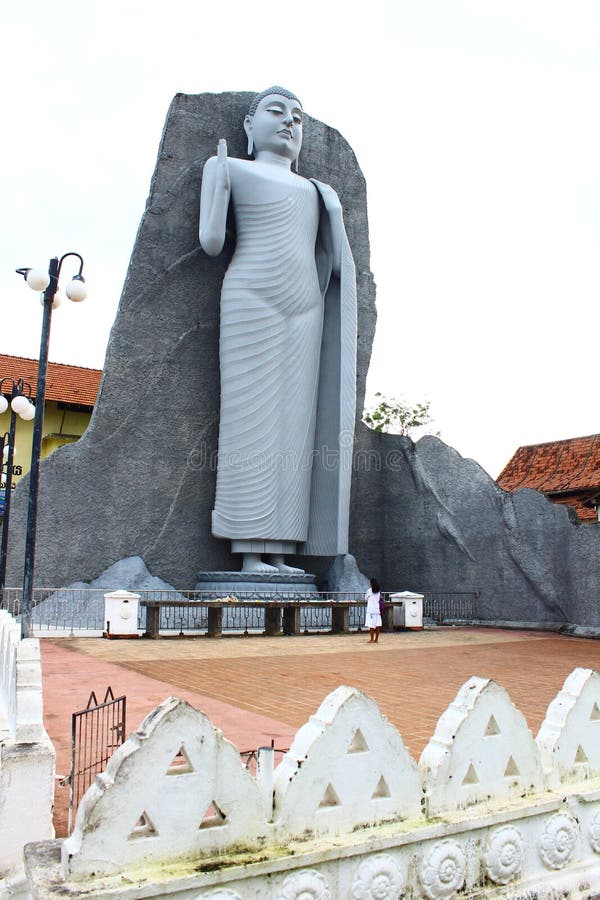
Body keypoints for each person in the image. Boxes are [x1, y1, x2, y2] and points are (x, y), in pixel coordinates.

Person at [199, 87, 357, 574]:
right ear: (249, 126)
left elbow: (328, 264)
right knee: (251, 424)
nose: (289, 123)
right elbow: (210, 242)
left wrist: (332, 212)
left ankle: (281, 551)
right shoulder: (229, 168)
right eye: (276, 112)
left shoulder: (314, 190)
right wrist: (221, 183)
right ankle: (248, 552)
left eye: (298, 117)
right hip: (252, 300)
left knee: (294, 431)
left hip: (305, 309)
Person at [365, 578, 383, 643]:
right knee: (377, 625)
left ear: (371, 583)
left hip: (370, 610)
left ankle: (372, 639)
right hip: (377, 610)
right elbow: (379, 599)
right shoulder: (378, 591)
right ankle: (376, 639)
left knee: (371, 625)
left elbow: (366, 598)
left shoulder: (369, 590)